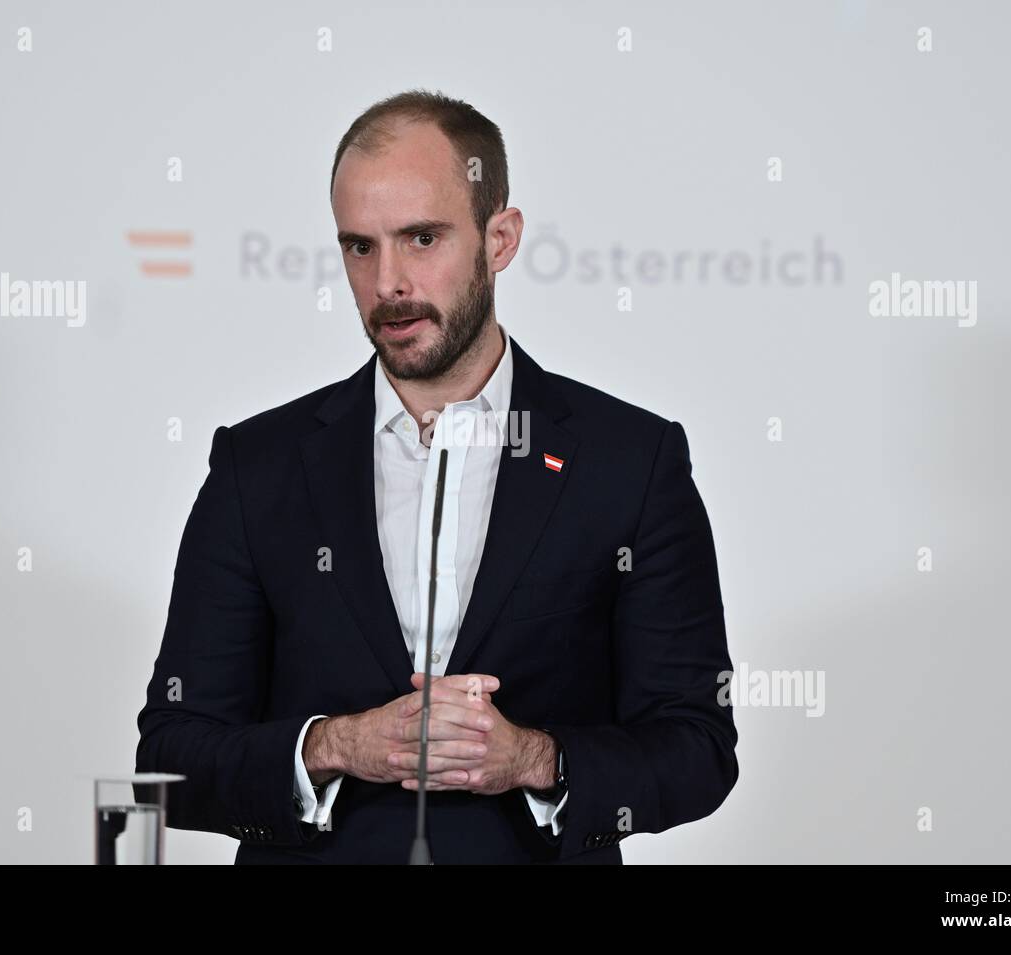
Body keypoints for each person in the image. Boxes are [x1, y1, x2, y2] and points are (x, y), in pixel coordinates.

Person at [135, 89, 738, 864]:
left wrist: (530, 758)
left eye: (422, 238)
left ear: (501, 238)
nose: (388, 282)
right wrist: (338, 744)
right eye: (360, 246)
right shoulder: (259, 466)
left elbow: (697, 748)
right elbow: (172, 756)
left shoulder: (632, 460)